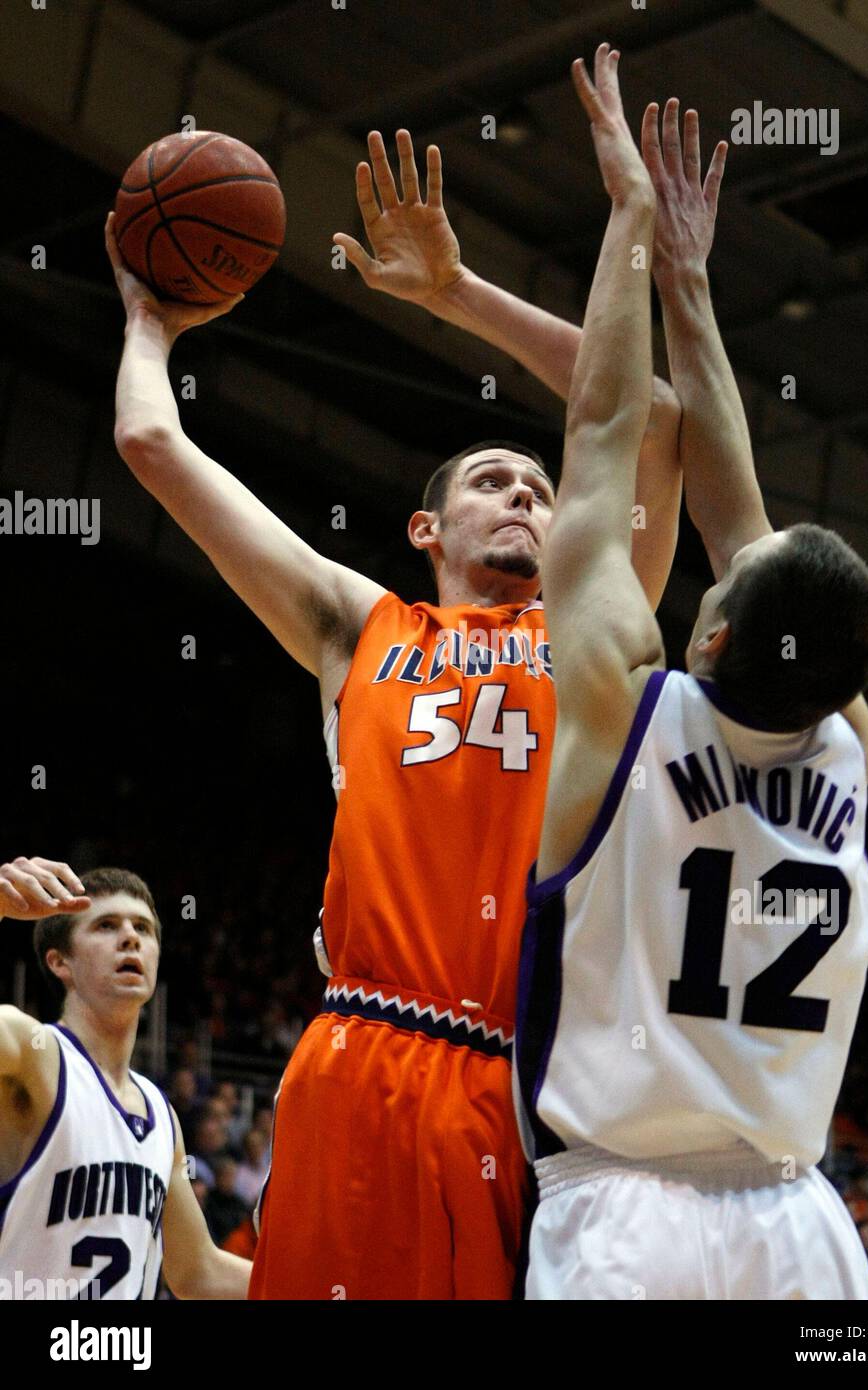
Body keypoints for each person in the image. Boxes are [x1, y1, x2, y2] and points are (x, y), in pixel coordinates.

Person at [104, 122, 683, 1297]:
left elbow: (651, 418)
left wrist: (458, 294)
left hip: (510, 1080)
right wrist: (150, 323)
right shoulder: (354, 625)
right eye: (491, 482)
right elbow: (148, 439)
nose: (524, 495)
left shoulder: (591, 629)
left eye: (539, 485)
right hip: (354, 1054)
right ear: (427, 531)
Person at [514, 47, 868, 1300]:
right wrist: (690, 282)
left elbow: (605, 432)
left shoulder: (623, 706)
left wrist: (634, 230)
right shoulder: (849, 744)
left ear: (713, 637)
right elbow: (745, 531)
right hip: (796, 1221)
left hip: (624, 1210)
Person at [0, 856, 251, 1298]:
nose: (131, 938)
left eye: (144, 929)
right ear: (60, 962)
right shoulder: (30, 1053)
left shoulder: (159, 1113)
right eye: (106, 926)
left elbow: (198, 1273)